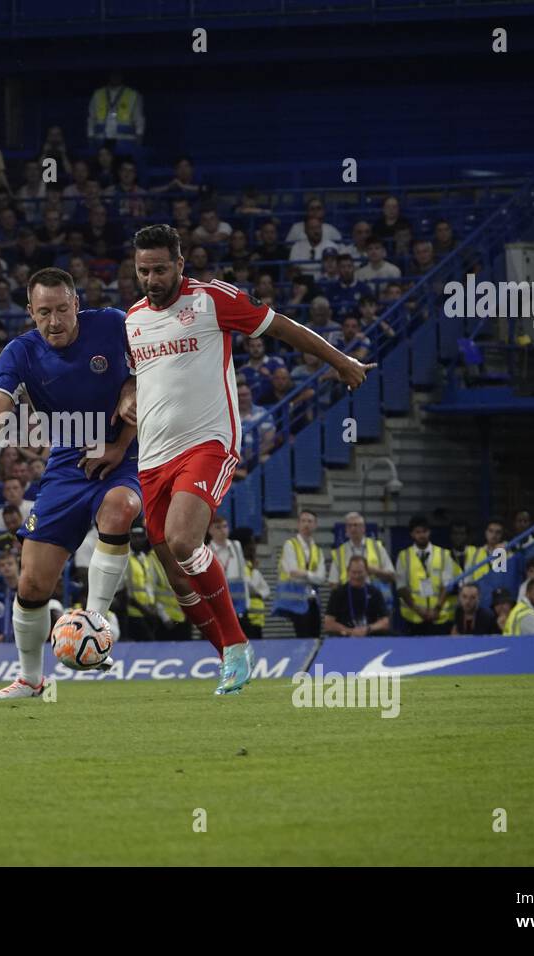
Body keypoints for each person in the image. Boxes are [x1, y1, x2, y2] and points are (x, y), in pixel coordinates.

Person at [121, 223, 371, 694]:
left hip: (207, 443)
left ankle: (237, 645)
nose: (151, 280)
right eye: (142, 271)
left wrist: (340, 361)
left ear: (179, 265)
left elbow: (283, 327)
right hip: (152, 456)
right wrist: (123, 399)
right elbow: (132, 380)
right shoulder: (133, 319)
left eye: (159, 269)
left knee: (181, 540)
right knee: (176, 577)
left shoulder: (213, 299)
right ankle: (227, 657)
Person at [0, 266, 141, 699]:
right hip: (67, 462)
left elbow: (152, 376)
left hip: (126, 450)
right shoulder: (19, 353)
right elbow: (0, 412)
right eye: (44, 312)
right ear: (30, 312)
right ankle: (30, 678)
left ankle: (94, 630)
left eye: (63, 309)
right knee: (31, 584)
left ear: (77, 304)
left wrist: (121, 439)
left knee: (121, 508)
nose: (55, 321)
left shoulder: (114, 325)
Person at [396, 515, 459, 636]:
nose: (421, 535)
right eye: (418, 532)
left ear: (429, 532)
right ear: (412, 534)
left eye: (424, 531)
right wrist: (418, 610)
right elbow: (401, 587)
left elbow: (447, 585)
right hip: (413, 618)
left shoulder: (443, 554)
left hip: (439, 617)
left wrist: (436, 610)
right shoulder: (404, 556)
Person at [277, 509, 326, 638]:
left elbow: (321, 578)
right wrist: (312, 576)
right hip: (296, 600)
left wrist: (305, 574)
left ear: (315, 525)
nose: (306, 524)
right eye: (303, 521)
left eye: (310, 521)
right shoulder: (290, 545)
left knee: (316, 637)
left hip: (313, 601)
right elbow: (293, 572)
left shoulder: (317, 550)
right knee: (303, 637)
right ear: (298, 524)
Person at [322, 555, 390, 636]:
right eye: (354, 572)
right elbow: (328, 624)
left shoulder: (375, 592)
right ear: (348, 572)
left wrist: (368, 629)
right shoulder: (338, 593)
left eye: (360, 572)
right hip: (345, 639)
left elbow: (385, 622)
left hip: (370, 637)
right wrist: (351, 631)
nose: (357, 576)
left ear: (367, 572)